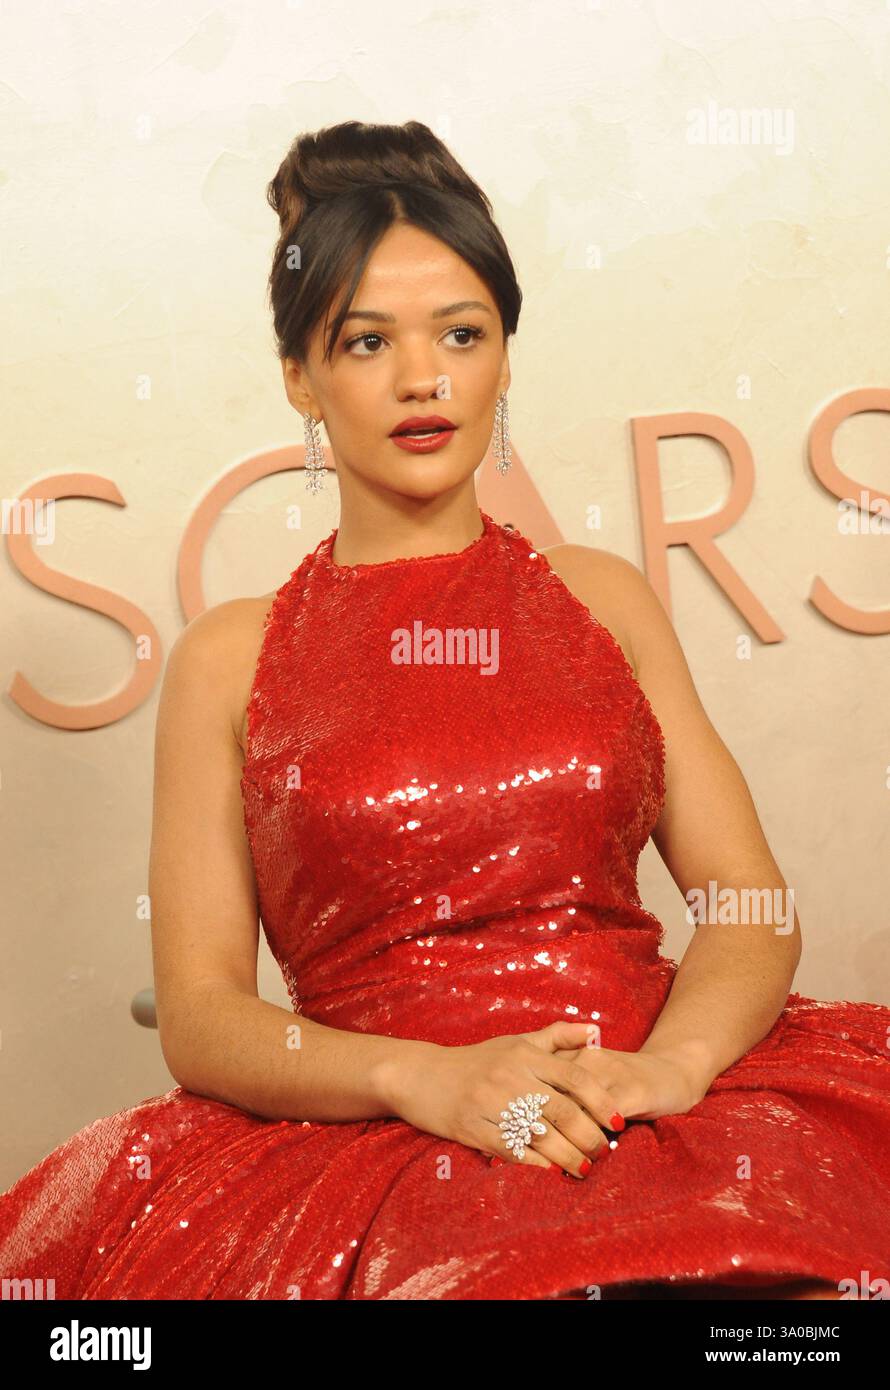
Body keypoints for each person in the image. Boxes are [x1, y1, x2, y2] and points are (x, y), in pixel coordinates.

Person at [2, 119, 888, 1302]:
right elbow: (205, 1016)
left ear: (503, 360)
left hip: (643, 1098)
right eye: (364, 342)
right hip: (380, 1136)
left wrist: (665, 1070)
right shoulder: (231, 657)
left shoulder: (599, 600)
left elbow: (746, 905)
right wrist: (424, 1079)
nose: (421, 378)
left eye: (460, 335)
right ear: (299, 378)